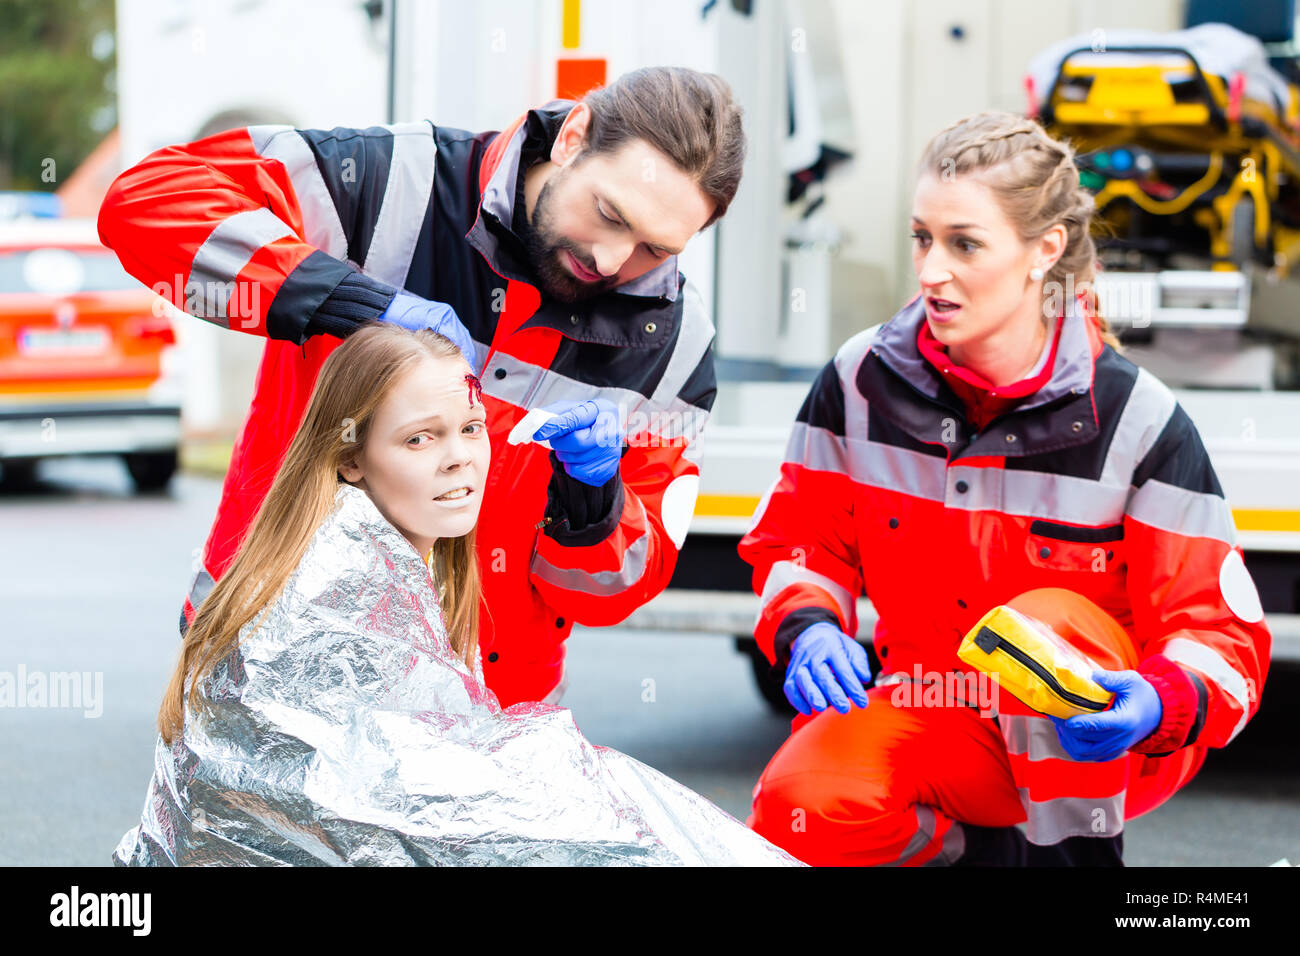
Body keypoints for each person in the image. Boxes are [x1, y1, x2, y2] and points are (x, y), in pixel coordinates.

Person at [96, 66, 746, 708]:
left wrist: (591, 501)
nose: (610, 261)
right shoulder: (390, 185)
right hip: (272, 665)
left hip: (483, 718)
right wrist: (346, 300)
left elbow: (608, 593)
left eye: (655, 250)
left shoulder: (675, 349)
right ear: (574, 136)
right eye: (609, 213)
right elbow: (147, 202)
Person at [737, 110, 1272, 866]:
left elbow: (1219, 630)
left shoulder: (1135, 419)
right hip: (933, 707)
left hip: (1111, 742)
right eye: (922, 238)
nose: (929, 271)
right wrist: (811, 623)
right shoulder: (861, 381)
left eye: (964, 244)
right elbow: (801, 540)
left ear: (1043, 251)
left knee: (1040, 624)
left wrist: (1161, 699)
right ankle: (977, 858)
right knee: (805, 804)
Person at [114, 322, 797, 866]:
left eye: (472, 429)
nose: (460, 459)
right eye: (421, 439)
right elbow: (423, 815)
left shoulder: (405, 567)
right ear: (350, 456)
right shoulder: (325, 605)